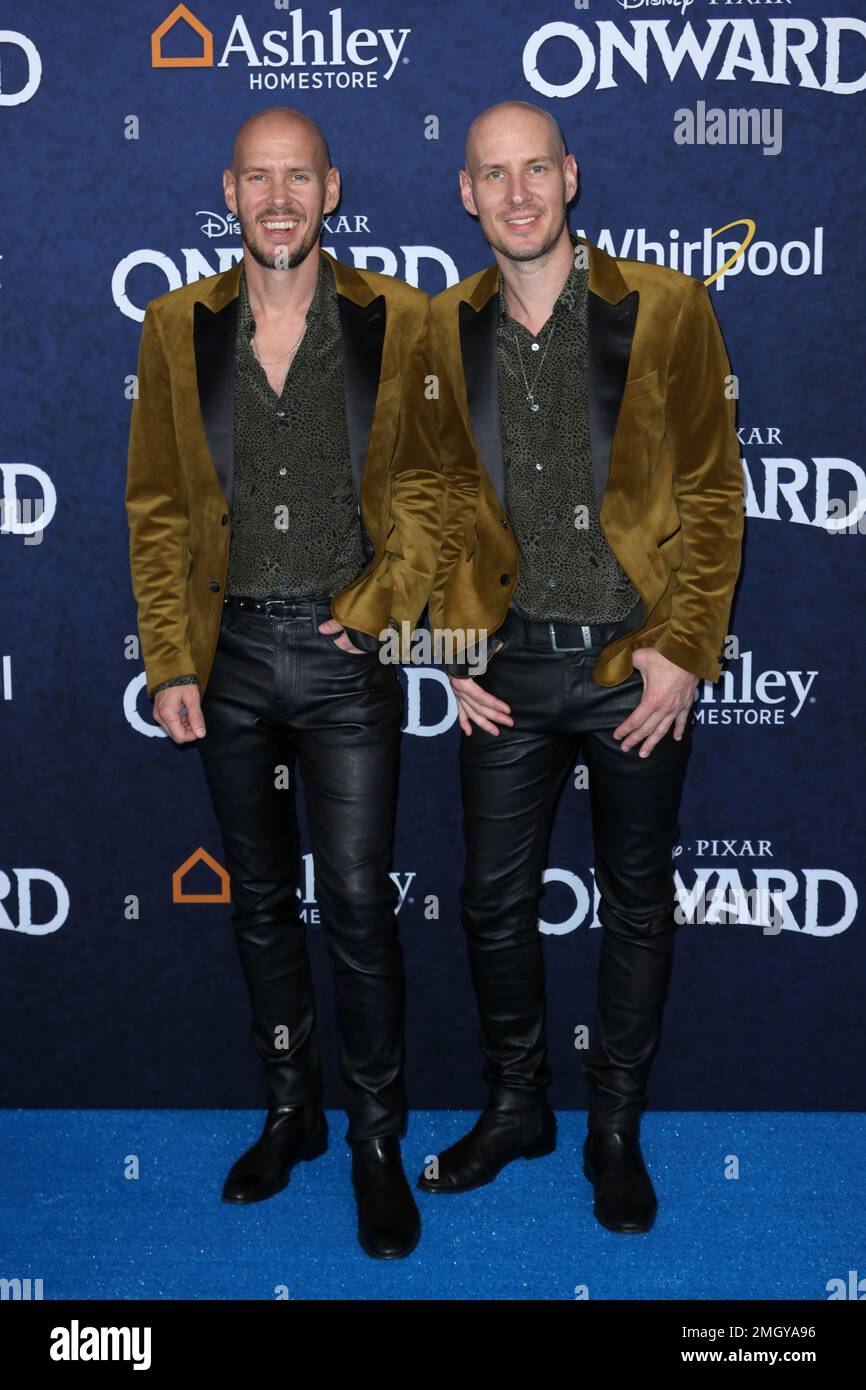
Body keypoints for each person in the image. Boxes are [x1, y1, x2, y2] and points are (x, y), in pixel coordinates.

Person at [420, 100, 744, 1232]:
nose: (516, 194)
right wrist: (447, 639)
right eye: (492, 174)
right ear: (465, 193)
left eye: (534, 169)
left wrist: (684, 651)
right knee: (490, 904)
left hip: (630, 670)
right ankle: (518, 1107)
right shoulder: (440, 326)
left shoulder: (666, 306)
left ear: (570, 175)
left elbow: (712, 493)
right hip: (505, 670)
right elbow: (426, 499)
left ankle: (614, 1127)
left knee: (636, 902)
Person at [125, 106, 441, 1260]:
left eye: (296, 177)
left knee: (355, 904)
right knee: (258, 900)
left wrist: (376, 609)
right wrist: (169, 658)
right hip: (229, 661)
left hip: (345, 658)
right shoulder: (175, 324)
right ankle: (291, 1111)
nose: (277, 199)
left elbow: (435, 488)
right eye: (257, 178)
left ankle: (374, 1140)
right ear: (228, 192)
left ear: (330, 189)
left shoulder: (397, 317)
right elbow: (159, 506)